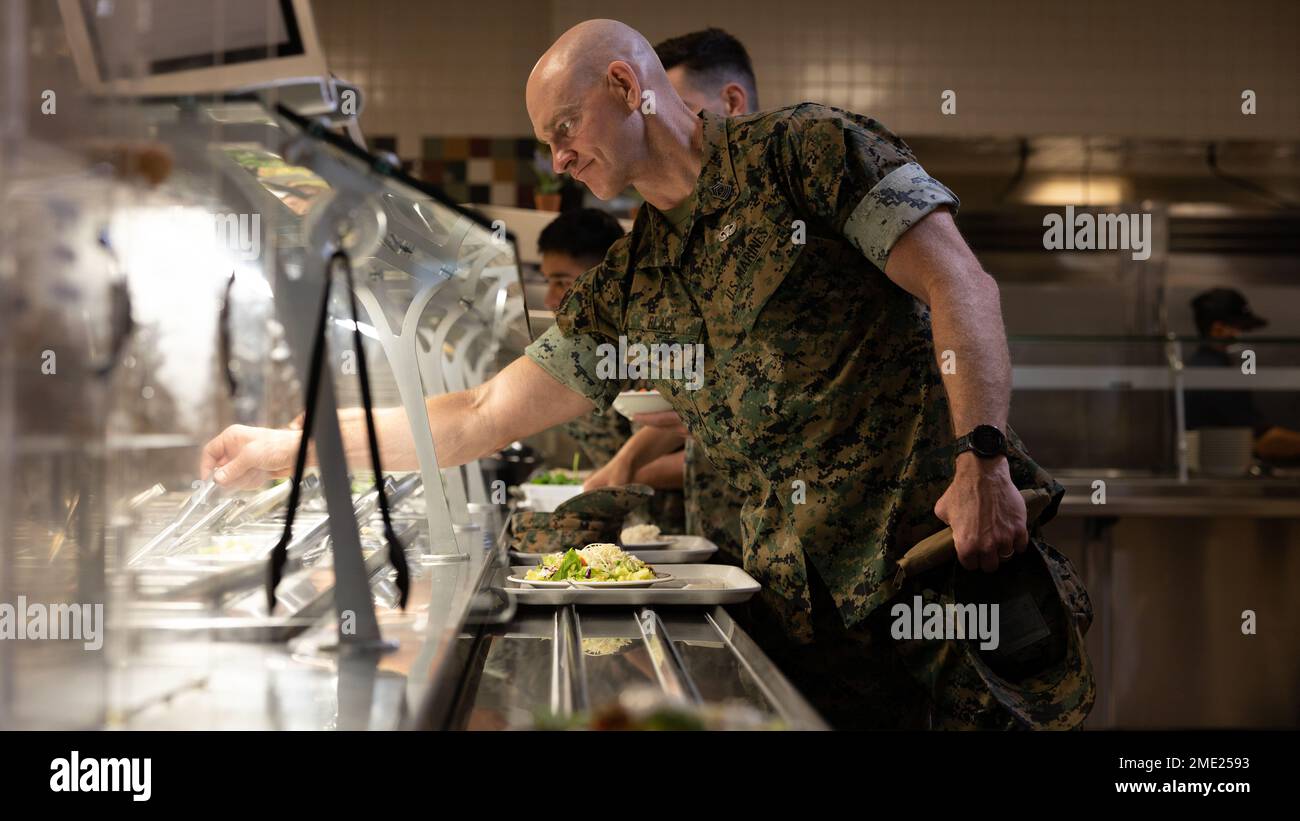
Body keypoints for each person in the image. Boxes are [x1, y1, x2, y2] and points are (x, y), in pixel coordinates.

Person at [202, 19, 1092, 729]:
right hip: (807, 633)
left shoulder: (806, 152)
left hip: (944, 579)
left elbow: (958, 282)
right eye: (547, 141)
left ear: (627, 88)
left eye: (564, 129)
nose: (558, 158)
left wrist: (981, 457)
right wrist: (288, 447)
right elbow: (479, 411)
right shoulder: (634, 281)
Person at [584, 28, 760, 566]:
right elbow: (699, 384)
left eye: (678, 107)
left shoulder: (792, 183)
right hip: (737, 536)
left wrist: (976, 455)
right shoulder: (670, 235)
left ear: (732, 103)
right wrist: (624, 463)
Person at [538, 207, 686, 529]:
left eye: (561, 282)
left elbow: (711, 449)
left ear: (604, 276)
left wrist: (621, 472)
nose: (549, 298)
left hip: (681, 528)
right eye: (547, 281)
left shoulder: (660, 342)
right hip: (633, 525)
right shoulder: (588, 347)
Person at [1185, 287, 1300, 461]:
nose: (1247, 336)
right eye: (1243, 328)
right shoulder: (1216, 376)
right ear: (1218, 329)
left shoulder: (1205, 367)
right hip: (1222, 470)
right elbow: (1263, 440)